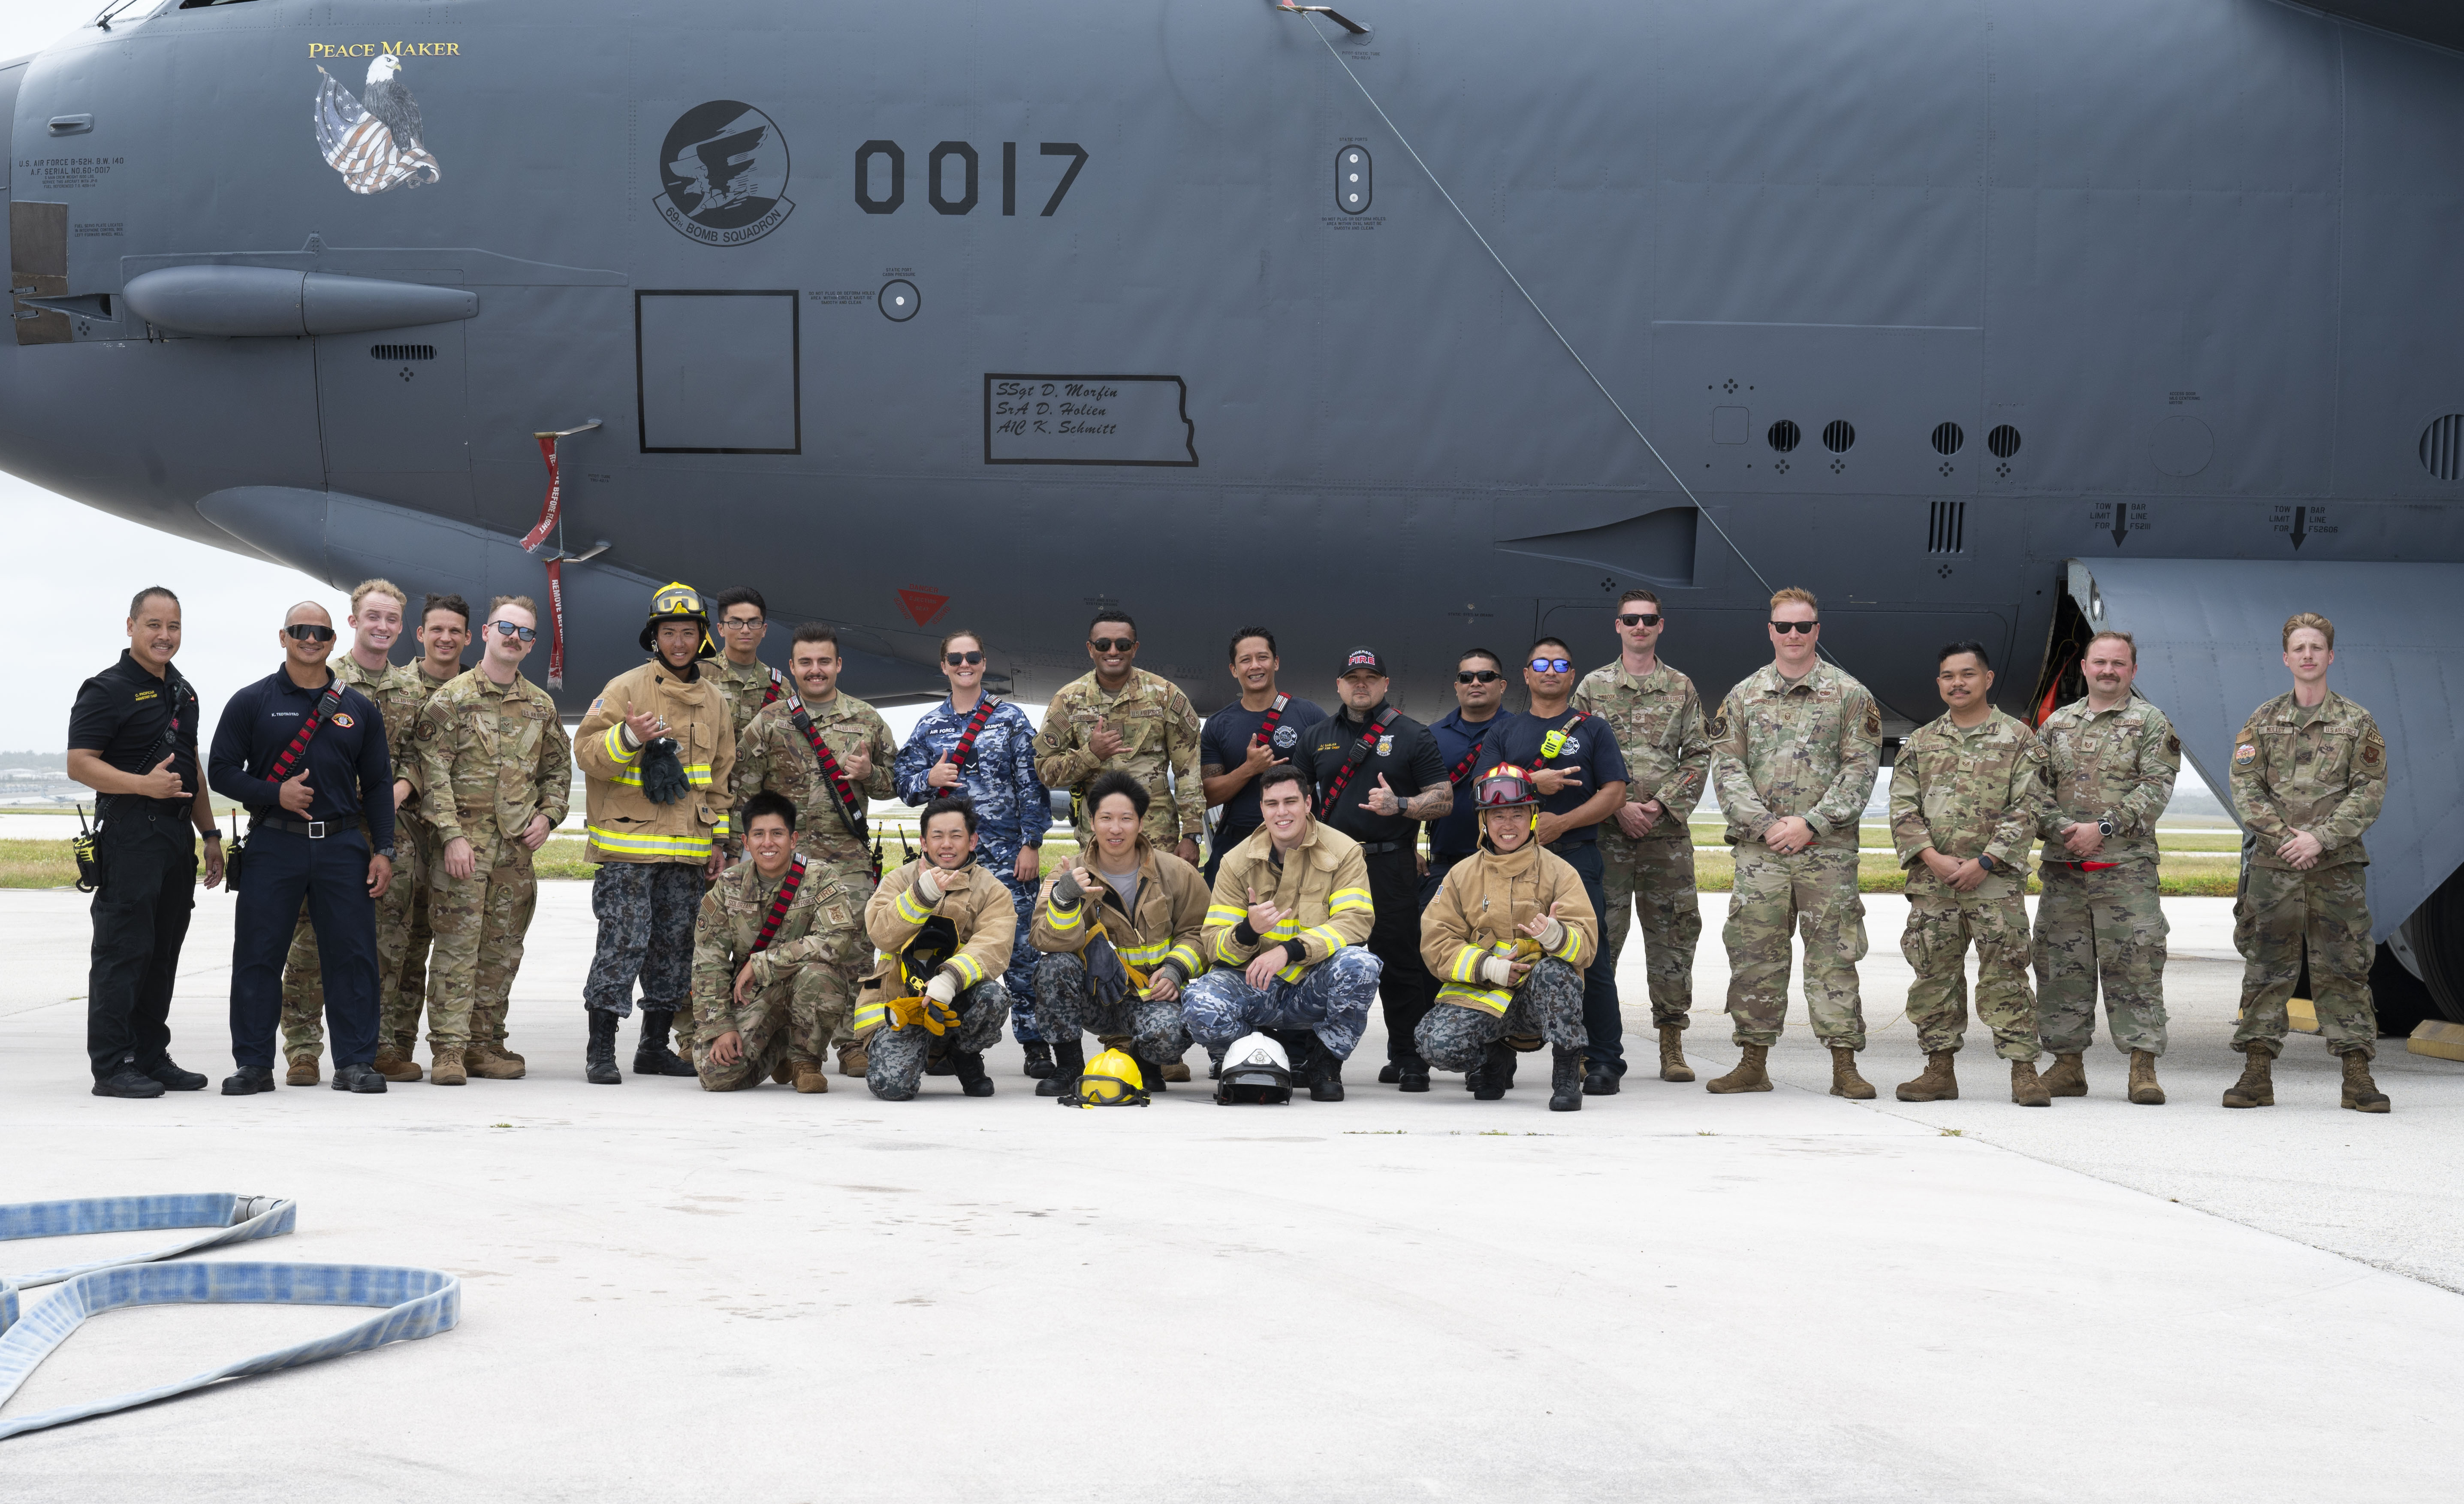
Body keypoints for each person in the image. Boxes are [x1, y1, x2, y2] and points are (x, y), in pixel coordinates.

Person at [207, 601, 396, 1096]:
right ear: (283, 636)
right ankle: (252, 1064)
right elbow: (222, 770)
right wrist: (276, 794)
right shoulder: (252, 701)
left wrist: (385, 850)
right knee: (257, 955)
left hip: (341, 845)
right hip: (274, 843)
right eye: (300, 630)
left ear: (333, 640)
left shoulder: (358, 707)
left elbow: (377, 784)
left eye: (320, 632)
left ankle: (355, 1062)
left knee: (353, 957)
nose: (309, 638)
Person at [1704, 588, 1882, 1098]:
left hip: (1825, 851)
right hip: (1761, 853)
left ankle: (1844, 1064)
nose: (1794, 636)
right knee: (1755, 953)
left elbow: (1860, 767)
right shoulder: (1743, 695)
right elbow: (1728, 766)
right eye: (1784, 626)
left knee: (1834, 956)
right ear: (1771, 631)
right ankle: (1753, 1062)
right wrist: (1764, 825)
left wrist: (1812, 822)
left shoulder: (1851, 695)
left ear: (1818, 631)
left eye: (1804, 626)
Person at [271, 580, 434, 1085]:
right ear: (353, 622)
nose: (382, 627)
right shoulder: (325, 679)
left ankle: (376, 1046)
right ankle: (302, 1047)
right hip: (326, 829)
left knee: (385, 942)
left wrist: (397, 791)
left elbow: (420, 755)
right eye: (373, 618)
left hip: (390, 830)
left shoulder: (412, 689)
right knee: (311, 941)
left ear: (401, 627)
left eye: (390, 620)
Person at [2226, 613, 2390, 1112]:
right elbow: (2246, 788)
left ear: (2330, 656)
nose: (2308, 655)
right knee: (2266, 967)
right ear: (2286, 658)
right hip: (2275, 871)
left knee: (2345, 968)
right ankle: (2256, 1073)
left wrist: (2319, 839)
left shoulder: (2357, 723)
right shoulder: (2263, 721)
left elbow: (2370, 791)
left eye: (2317, 647)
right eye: (2299, 648)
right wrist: (2284, 839)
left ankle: (2357, 1076)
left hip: (2335, 868)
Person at [573, 582, 737, 1086]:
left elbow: (721, 778)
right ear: (655, 636)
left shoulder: (715, 702)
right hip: (628, 849)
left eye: (689, 632)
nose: (680, 642)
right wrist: (629, 737)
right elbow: (587, 753)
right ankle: (600, 1050)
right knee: (622, 943)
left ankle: (653, 1047)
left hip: (688, 851)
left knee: (674, 948)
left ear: (702, 637)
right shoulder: (625, 689)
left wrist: (719, 843)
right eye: (670, 632)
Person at [68, 586, 223, 1098]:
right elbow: (79, 763)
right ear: (131, 626)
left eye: (173, 626)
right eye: (153, 624)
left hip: (176, 836)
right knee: (122, 951)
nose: (164, 635)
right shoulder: (105, 688)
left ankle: (151, 1056)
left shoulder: (184, 691)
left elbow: (192, 766)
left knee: (162, 951)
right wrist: (142, 785)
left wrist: (211, 834)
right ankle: (112, 1065)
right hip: (131, 834)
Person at [413, 596, 571, 1085]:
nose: (514, 638)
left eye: (525, 633)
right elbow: (431, 770)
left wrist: (549, 817)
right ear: (484, 631)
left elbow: (558, 771)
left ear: (532, 644)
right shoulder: (452, 700)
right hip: (464, 849)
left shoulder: (541, 706)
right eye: (507, 627)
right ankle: (449, 1050)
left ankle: (486, 1042)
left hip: (515, 854)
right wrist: (452, 836)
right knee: (457, 949)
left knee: (503, 952)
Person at [1888, 642, 2054, 1107]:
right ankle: (1939, 1070)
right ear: (1939, 683)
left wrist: (1986, 861)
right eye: (1947, 676)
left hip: (1994, 884)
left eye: (1967, 674)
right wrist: (1933, 858)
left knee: (2007, 975)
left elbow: (2028, 808)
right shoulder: (1921, 743)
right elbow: (1902, 808)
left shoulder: (2019, 739)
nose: (1957, 682)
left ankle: (2024, 1071)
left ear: (1988, 678)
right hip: (1933, 883)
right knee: (1933, 976)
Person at [733, 621, 896, 1079]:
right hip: (786, 862)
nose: (816, 669)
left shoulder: (865, 718)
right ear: (793, 667)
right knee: (790, 952)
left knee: (855, 952)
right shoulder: (770, 721)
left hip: (847, 859)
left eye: (824, 661)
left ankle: (854, 1043)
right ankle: (795, 1047)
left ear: (839, 664)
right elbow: (744, 793)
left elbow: (895, 783)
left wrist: (868, 774)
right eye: (806, 662)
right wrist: (738, 852)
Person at [1474, 637, 1630, 1094]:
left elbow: (1614, 792)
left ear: (1570, 675)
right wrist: (1531, 780)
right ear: (1526, 674)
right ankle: (1498, 1055)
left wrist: (1561, 823)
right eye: (1540, 663)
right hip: (1512, 866)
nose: (1550, 670)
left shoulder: (1593, 730)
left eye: (1560, 664)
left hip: (1576, 858)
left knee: (1591, 958)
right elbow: (1481, 788)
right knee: (1506, 954)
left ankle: (1602, 1060)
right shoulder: (1505, 732)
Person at [894, 628, 1053, 1073]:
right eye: (956, 658)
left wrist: (1032, 843)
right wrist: (930, 778)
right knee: (944, 948)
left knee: (1020, 952)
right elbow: (902, 783)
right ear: (944, 665)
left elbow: (1031, 784)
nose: (966, 664)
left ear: (984, 662)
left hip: (1006, 854)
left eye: (974, 656)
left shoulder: (1011, 719)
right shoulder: (928, 726)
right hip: (949, 860)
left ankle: (1035, 1044)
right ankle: (948, 1042)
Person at [2032, 630, 2179, 1105]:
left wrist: (2103, 827)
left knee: (2135, 968)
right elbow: (2032, 789)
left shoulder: (2151, 722)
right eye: (2100, 662)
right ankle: (2067, 1065)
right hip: (2064, 872)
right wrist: (2061, 828)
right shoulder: (2057, 725)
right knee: (2060, 969)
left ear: (2133, 671)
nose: (2109, 670)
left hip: (2125, 872)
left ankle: (2142, 1068)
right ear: (2085, 667)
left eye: (2119, 663)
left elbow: (2156, 787)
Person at [1293, 647, 1449, 1091]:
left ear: (1384, 684)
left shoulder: (1413, 734)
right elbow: (1295, 798)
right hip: (1329, 868)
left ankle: (1409, 1056)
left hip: (1389, 862)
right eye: (1352, 677)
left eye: (1370, 676)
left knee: (1399, 962)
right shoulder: (1317, 735)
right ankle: (1316, 1056)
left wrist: (1401, 804)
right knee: (1320, 959)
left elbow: (1445, 797)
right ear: (1338, 684)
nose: (1361, 684)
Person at [1573, 589, 1711, 1085]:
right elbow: (1574, 755)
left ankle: (1672, 1042)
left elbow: (1698, 754)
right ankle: (1594, 1044)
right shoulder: (1592, 686)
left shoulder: (1680, 687)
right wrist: (1621, 806)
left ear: (1660, 625)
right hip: (1607, 837)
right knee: (1599, 939)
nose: (1639, 626)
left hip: (1665, 837)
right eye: (1630, 619)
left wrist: (1657, 806)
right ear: (1618, 625)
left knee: (1673, 938)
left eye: (1647, 619)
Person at [1183, 764, 1381, 1099]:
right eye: (1271, 804)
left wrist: (1290, 950)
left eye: (1290, 802)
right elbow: (1215, 947)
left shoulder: (1344, 851)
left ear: (1308, 804)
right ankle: (1255, 1055)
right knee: (1199, 1004)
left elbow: (1355, 921)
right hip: (1255, 981)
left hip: (1312, 982)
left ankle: (1324, 1064)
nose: (1281, 812)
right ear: (1262, 809)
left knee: (1361, 965)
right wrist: (1248, 931)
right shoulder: (1235, 862)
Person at [1416, 765, 1599, 1111]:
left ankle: (1565, 1071)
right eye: (1497, 816)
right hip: (1485, 992)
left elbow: (1587, 946)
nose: (1508, 825)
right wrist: (1489, 968)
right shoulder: (1460, 875)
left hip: (1537, 999)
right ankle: (1493, 1058)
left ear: (1533, 817)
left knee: (1557, 973)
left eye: (1518, 814)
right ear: (1484, 822)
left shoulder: (1560, 872)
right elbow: (1435, 942)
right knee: (1436, 1046)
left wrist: (1555, 935)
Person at [1029, 770, 1209, 1095]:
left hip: (1151, 997)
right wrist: (1063, 899)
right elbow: (1042, 938)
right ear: (1092, 822)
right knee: (1053, 968)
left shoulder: (1177, 873)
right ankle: (1069, 1066)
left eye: (1126, 819)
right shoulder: (1067, 873)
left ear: (1141, 823)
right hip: (1096, 997)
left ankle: (1143, 1064)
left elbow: (1200, 934)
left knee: (1170, 1036)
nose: (1115, 829)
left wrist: (1175, 970)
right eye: (1106, 818)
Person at [690, 792, 865, 1092]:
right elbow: (709, 961)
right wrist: (721, 1027)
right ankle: (779, 1049)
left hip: (807, 986)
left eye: (777, 834)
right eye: (758, 835)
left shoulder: (821, 878)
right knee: (715, 1075)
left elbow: (836, 941)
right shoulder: (729, 885)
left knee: (822, 975)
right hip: (755, 996)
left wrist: (763, 964)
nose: (767, 843)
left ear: (793, 839)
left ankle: (804, 1059)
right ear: (746, 843)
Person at [851, 795, 1015, 1100]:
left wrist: (949, 979)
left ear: (973, 840)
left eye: (956, 835)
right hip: (902, 1005)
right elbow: (880, 935)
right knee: (892, 1089)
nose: (947, 844)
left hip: (954, 1000)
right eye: (937, 836)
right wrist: (920, 896)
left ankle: (961, 1054)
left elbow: (994, 946)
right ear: (924, 843)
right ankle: (924, 1051)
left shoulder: (993, 890)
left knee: (994, 997)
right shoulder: (897, 881)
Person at [1035, 609, 1204, 864]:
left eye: (1122, 644)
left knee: (1158, 903)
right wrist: (1090, 755)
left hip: (1157, 837)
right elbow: (1045, 771)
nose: (1113, 651)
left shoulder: (1165, 696)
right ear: (1091, 649)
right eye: (1103, 644)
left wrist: (1192, 835)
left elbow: (1188, 770)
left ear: (1134, 648)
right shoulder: (1068, 701)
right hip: (1099, 838)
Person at [384, 592, 473, 1068]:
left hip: (459, 838)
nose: (445, 638)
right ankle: (389, 1046)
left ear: (467, 636)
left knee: (449, 948)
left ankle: (443, 1045)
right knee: (396, 945)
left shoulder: (479, 689)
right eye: (436, 629)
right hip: (402, 835)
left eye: (454, 630)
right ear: (420, 634)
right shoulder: (395, 689)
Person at [1199, 626, 1326, 884]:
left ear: (1276, 663)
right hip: (1239, 846)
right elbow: (1207, 796)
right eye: (1245, 660)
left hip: (1300, 847)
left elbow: (1334, 779)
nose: (1255, 666)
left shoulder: (1310, 716)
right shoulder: (1218, 725)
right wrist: (1249, 769)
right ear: (1234, 670)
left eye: (1263, 658)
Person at [1423, 649, 1510, 902]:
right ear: (1456, 686)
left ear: (1502, 685)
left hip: (1505, 864)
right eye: (1466, 677)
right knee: (1434, 938)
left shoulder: (1519, 730)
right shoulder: (1431, 735)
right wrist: (1409, 849)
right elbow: (1411, 792)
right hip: (1443, 865)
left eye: (1486, 676)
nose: (1475, 683)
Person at [708, 586, 791, 751]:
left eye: (754, 623)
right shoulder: (700, 675)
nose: (745, 630)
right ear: (721, 629)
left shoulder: (780, 686)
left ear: (764, 630)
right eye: (735, 623)